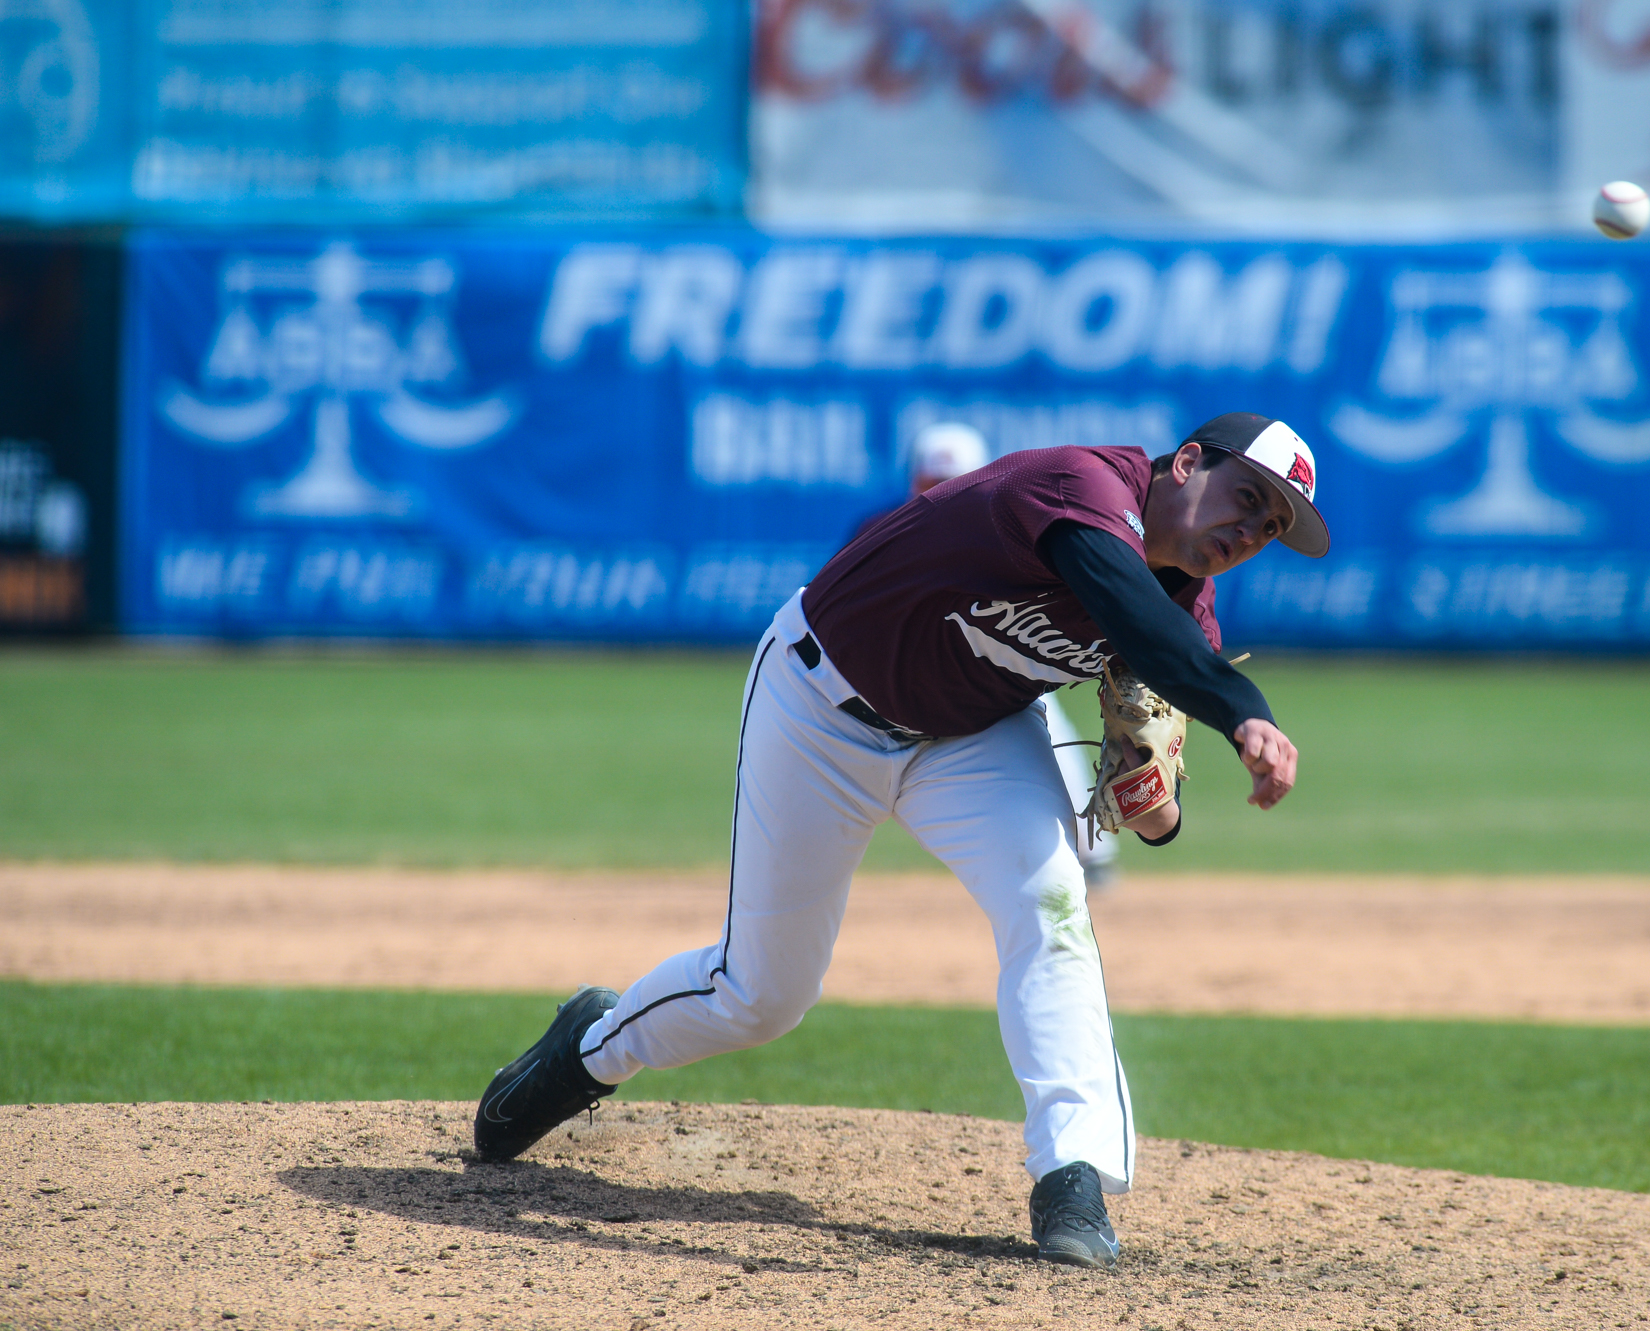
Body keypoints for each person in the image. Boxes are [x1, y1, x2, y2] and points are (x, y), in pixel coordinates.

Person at [473, 412, 1330, 1272]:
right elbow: (1132, 609)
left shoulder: (1190, 610)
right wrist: (1244, 709)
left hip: (969, 738)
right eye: (1247, 498)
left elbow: (1157, 810)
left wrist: (1154, 803)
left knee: (1052, 900)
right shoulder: (1084, 485)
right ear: (1187, 463)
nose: (1250, 531)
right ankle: (590, 1048)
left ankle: (1074, 1177)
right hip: (819, 706)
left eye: (1270, 527)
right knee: (762, 994)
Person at [862, 421, 1120, 890]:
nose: (940, 493)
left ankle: (1093, 852)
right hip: (908, 678)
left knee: (1050, 727)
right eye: (930, 482)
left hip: (1001, 671)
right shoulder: (879, 531)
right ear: (912, 481)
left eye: (953, 481)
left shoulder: (1013, 532)